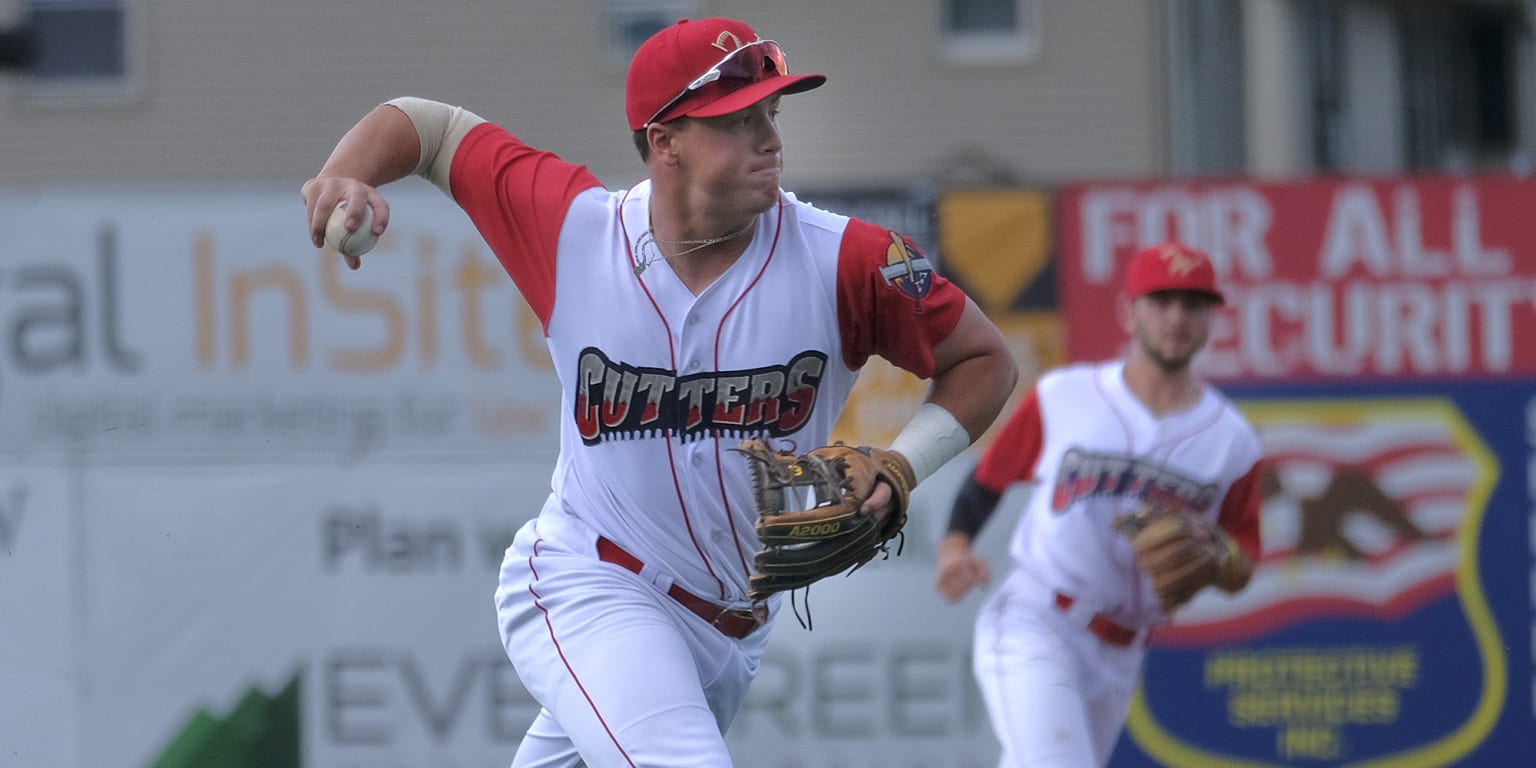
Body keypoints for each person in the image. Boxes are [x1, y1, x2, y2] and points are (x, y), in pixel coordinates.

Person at [299, 17, 1017, 767]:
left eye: (771, 114)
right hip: (592, 583)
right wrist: (350, 172)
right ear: (664, 139)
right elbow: (433, 129)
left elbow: (983, 358)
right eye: (737, 121)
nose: (768, 138)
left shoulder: (846, 260)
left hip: (731, 633)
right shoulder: (573, 230)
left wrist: (905, 465)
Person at [935, 242, 1264, 768]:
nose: (1177, 316)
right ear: (1129, 312)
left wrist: (1217, 553)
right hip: (1037, 619)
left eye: (1193, 303)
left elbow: (1244, 556)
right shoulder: (1067, 395)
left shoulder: (1232, 440)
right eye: (1162, 300)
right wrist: (955, 549)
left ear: (1210, 319)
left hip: (1121, 652)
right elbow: (987, 480)